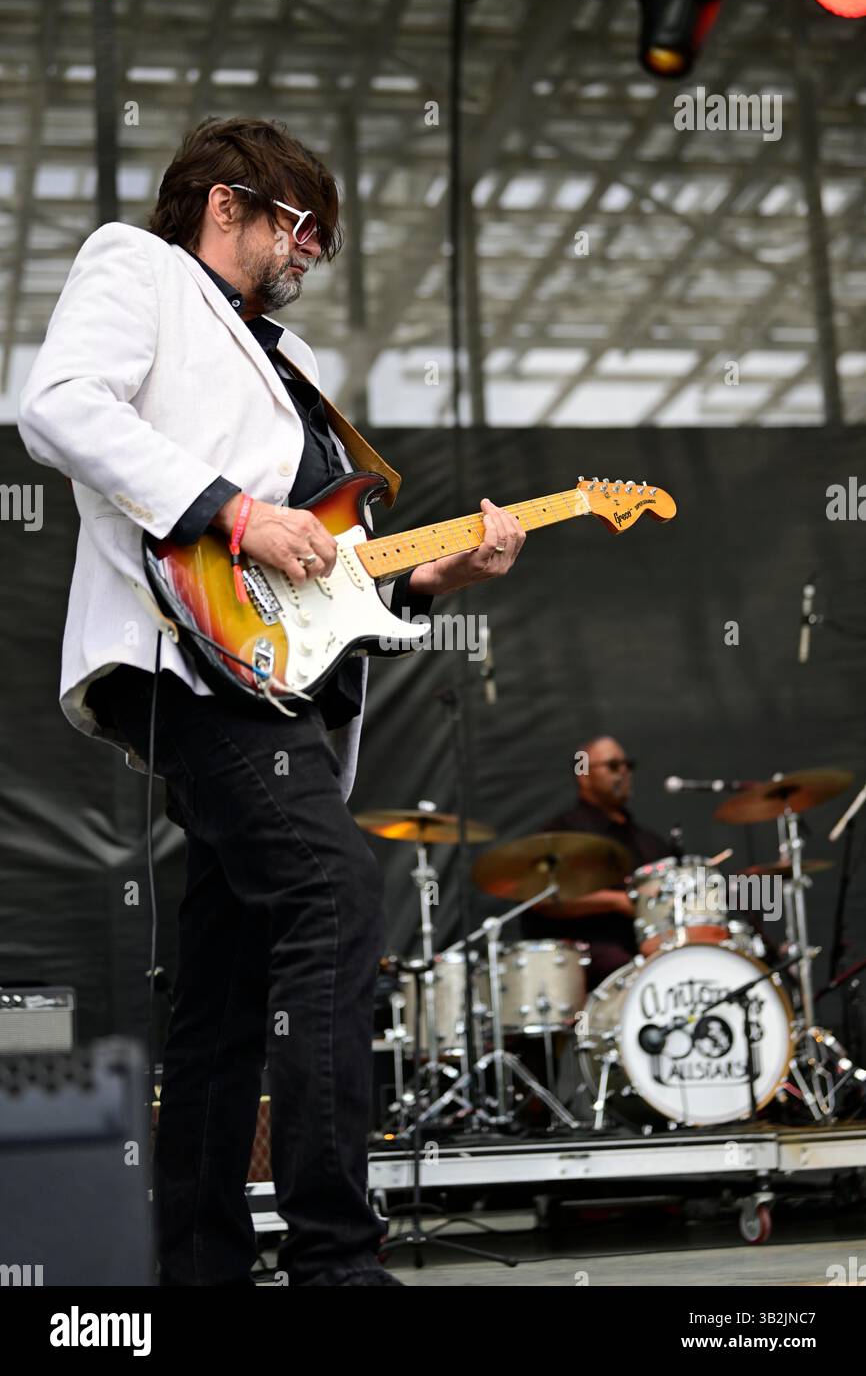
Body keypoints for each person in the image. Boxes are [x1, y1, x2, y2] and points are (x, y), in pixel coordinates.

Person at [18, 116, 526, 1287]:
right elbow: (61, 402)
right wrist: (236, 513)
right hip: (188, 664)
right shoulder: (136, 266)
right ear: (225, 202)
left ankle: (192, 1260)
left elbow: (322, 564)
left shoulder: (277, 364)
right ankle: (336, 1259)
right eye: (300, 223)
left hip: (268, 675)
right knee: (336, 896)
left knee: (227, 985)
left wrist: (427, 569)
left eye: (319, 236)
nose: (310, 249)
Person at [523, 735, 673, 987]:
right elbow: (542, 898)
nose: (623, 772)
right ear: (583, 774)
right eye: (613, 766)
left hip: (649, 956)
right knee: (616, 962)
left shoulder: (649, 842)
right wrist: (616, 902)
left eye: (628, 765)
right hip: (587, 963)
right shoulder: (560, 835)